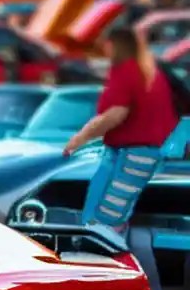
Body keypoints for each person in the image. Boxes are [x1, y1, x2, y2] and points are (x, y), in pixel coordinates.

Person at [64, 28, 178, 227]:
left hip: (128, 153)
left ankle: (98, 255)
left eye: (106, 45)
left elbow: (115, 114)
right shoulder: (148, 72)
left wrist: (79, 139)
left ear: (115, 45)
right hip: (143, 153)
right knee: (114, 215)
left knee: (101, 220)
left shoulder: (126, 71)